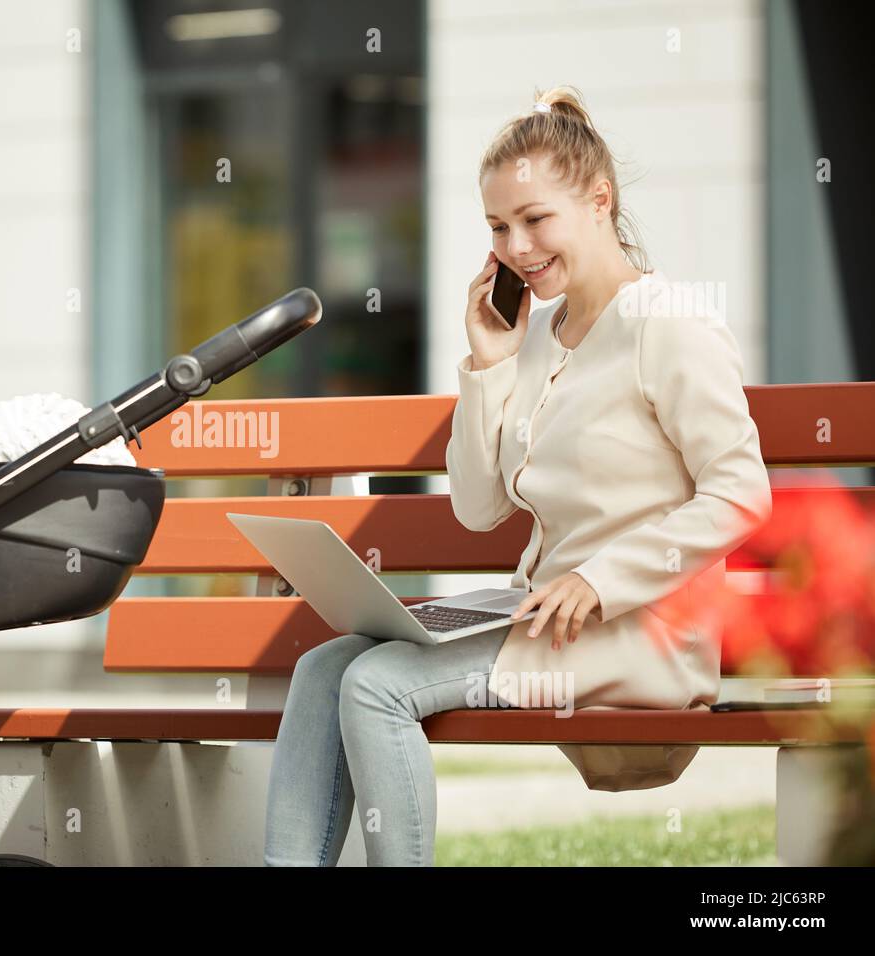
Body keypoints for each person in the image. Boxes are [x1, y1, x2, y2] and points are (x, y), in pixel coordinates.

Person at [262, 85, 773, 866]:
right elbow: (476, 507)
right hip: (544, 618)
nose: (517, 247)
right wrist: (489, 366)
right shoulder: (541, 336)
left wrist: (602, 579)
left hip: (641, 630)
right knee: (324, 665)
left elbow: (740, 492)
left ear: (599, 202)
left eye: (536, 220)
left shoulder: (669, 324)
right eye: (499, 227)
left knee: (376, 686)